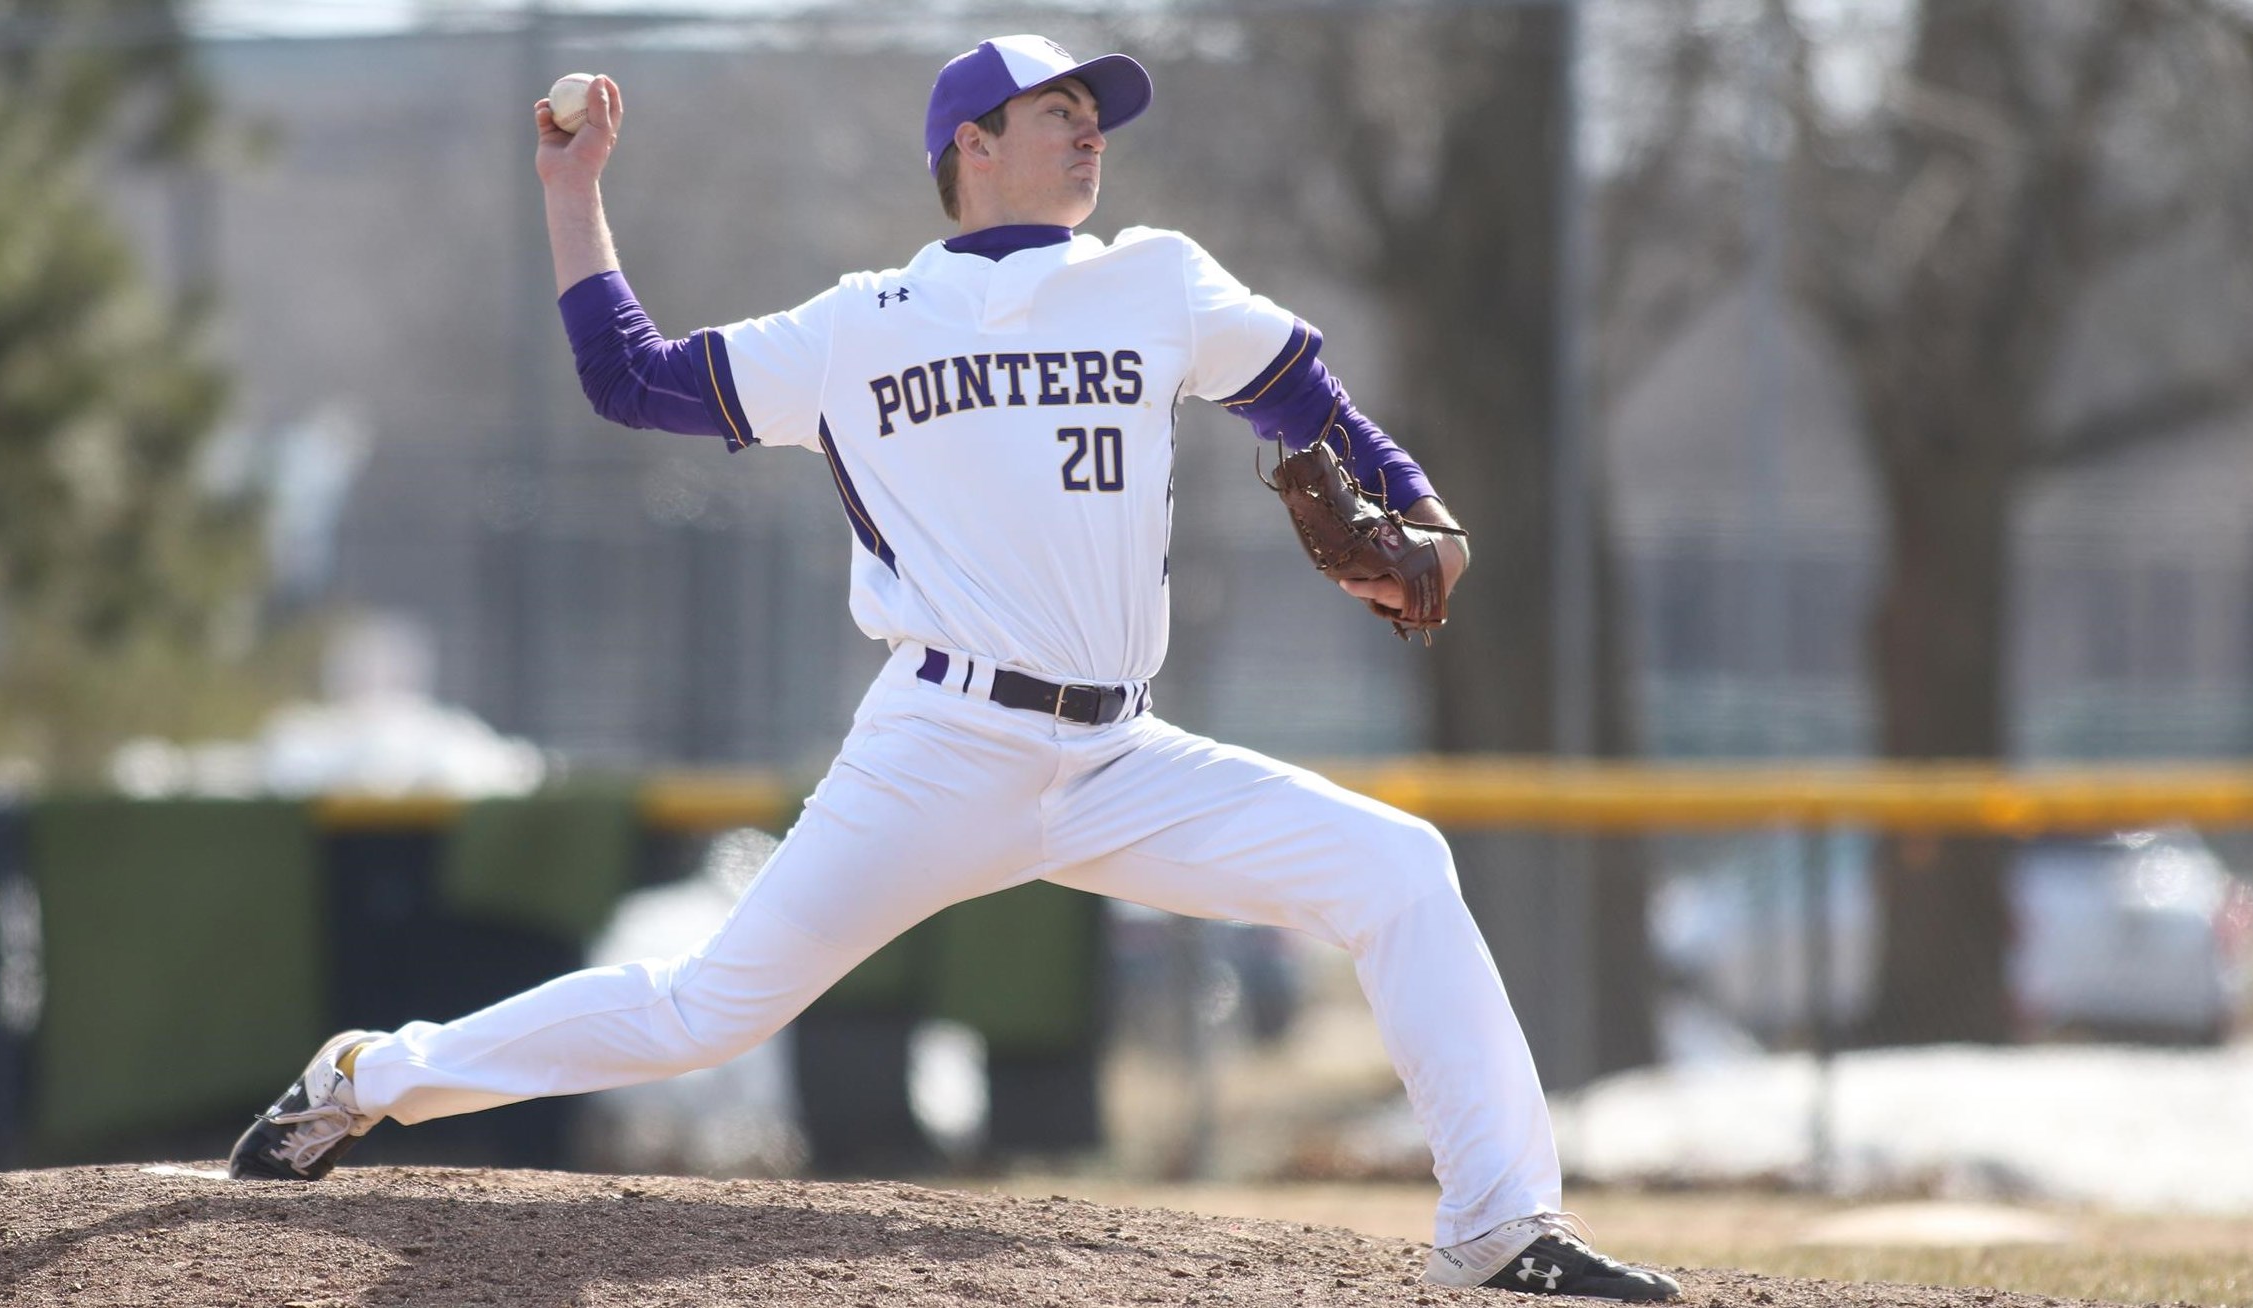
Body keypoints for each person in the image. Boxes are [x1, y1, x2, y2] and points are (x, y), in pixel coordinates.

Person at [227, 35, 1679, 1301]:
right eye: (1054, 109)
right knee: (699, 1014)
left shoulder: (1157, 279)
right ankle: (366, 1078)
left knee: (1398, 868)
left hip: (1117, 759)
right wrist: (571, 193)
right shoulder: (860, 325)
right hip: (940, 746)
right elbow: (632, 378)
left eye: (1092, 108)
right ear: (969, 148)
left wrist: (1418, 514)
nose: (1086, 125)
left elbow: (1310, 397)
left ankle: (1496, 1227)